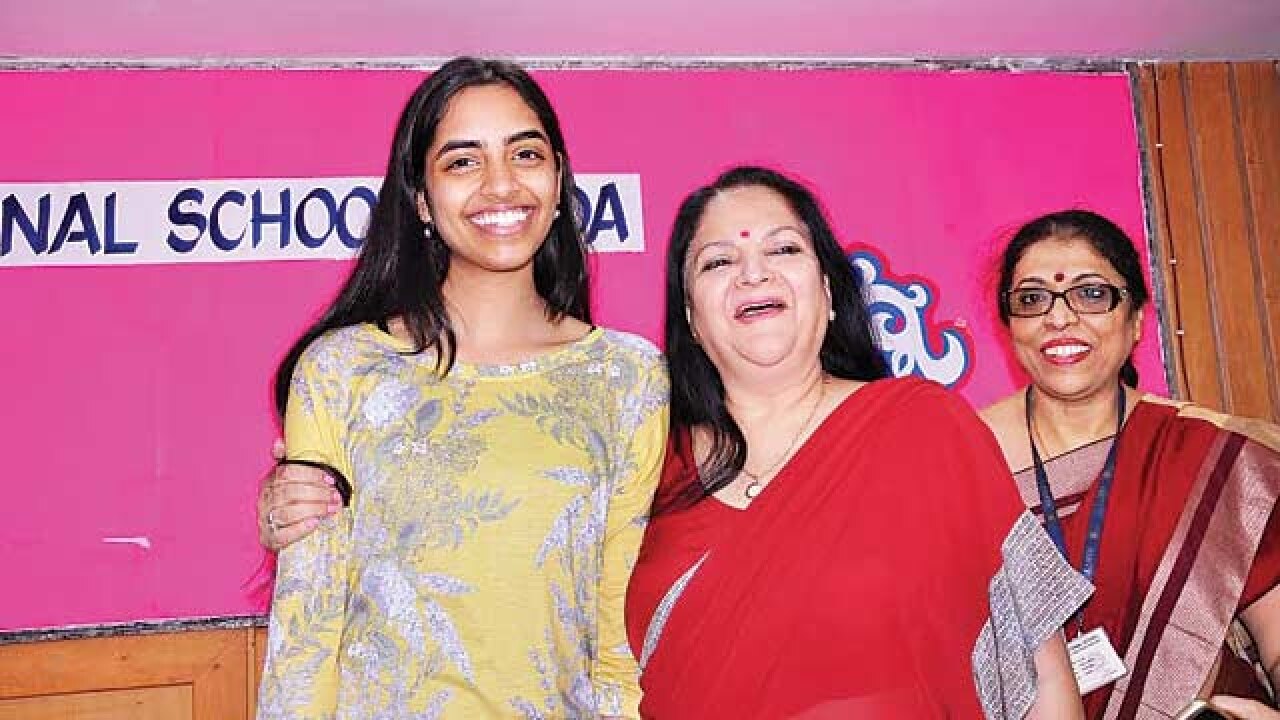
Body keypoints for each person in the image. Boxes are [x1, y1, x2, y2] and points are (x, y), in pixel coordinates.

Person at [254, 57, 669, 720]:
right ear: (420, 197)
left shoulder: (629, 379)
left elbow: (616, 636)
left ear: (559, 179)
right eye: (462, 161)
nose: (501, 184)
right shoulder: (341, 373)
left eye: (525, 153)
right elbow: (306, 639)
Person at [616, 165, 1087, 719]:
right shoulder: (642, 463)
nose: (753, 274)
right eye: (718, 262)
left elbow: (1042, 675)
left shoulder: (922, 429)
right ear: (691, 318)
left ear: (830, 291)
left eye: (784, 250)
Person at [980, 210, 1280, 719]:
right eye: (1032, 299)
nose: (1059, 318)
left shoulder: (1216, 461)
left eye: (1091, 293)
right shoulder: (959, 461)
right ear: (1009, 327)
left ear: (1137, 317)